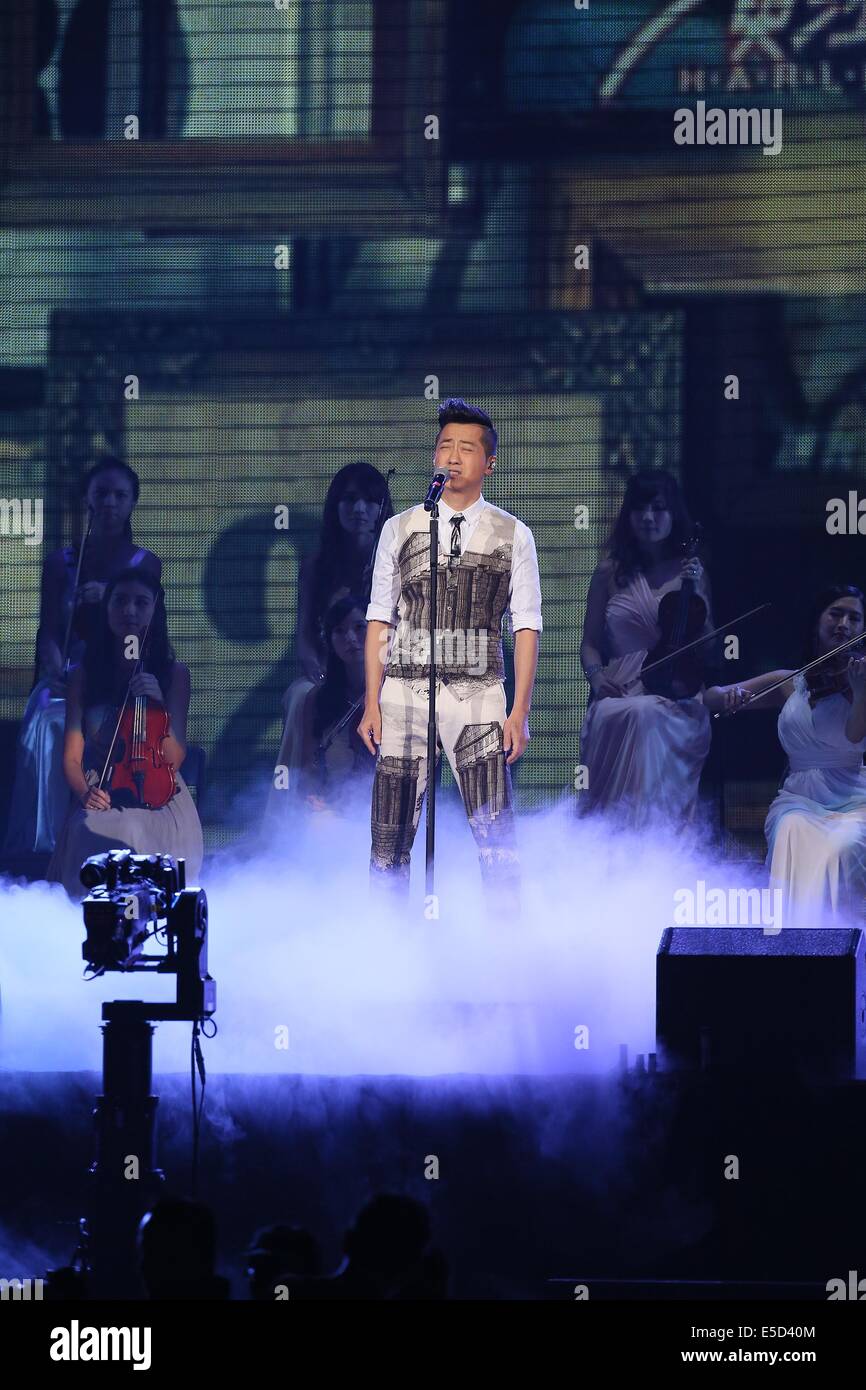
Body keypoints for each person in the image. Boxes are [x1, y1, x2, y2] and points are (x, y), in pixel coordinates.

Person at [358, 398, 542, 908]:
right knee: (390, 836)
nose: (453, 457)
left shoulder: (513, 534)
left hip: (479, 694)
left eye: (466, 448)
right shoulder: (400, 528)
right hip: (404, 693)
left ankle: (505, 952)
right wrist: (371, 701)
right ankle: (390, 948)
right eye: (445, 447)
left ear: (489, 463)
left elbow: (526, 626)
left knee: (496, 836)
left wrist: (519, 711)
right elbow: (380, 616)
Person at [3, 456, 160, 859]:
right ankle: (48, 839)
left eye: (119, 495)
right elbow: (49, 630)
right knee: (47, 714)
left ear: (132, 503)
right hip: (71, 672)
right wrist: (56, 670)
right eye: (102, 493)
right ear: (88, 499)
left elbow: (150, 632)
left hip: (118, 673)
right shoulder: (60, 564)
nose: (110, 502)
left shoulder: (144, 563)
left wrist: (109, 597)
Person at [704, 584, 866, 927]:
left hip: (854, 800)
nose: (843, 624)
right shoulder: (789, 681)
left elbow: (854, 735)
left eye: (854, 618)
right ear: (818, 622)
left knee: (845, 847)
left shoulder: (862, 680)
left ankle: (846, 947)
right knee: (791, 831)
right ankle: (797, 944)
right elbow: (712, 698)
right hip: (799, 799)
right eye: (835, 613)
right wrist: (731, 696)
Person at [47, 567, 203, 898]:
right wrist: (85, 793)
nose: (129, 611)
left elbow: (175, 757)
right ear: (106, 610)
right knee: (91, 833)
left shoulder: (174, 674)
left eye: (140, 603)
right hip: (100, 787)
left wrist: (158, 703)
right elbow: (72, 757)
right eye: (120, 601)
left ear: (154, 611)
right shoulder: (83, 675)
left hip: (158, 794)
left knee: (138, 836)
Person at [578, 469, 713, 828]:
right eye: (640, 508)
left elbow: (709, 646)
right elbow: (590, 644)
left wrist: (695, 593)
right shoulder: (609, 572)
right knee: (621, 713)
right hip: (618, 687)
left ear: (674, 515)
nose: (649, 517)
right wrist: (596, 677)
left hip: (674, 695)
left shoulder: (690, 573)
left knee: (644, 715)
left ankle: (650, 847)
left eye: (659, 508)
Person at [263, 593, 373, 834]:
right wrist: (315, 799)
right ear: (330, 640)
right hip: (334, 812)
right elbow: (307, 768)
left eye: (359, 628)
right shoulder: (317, 699)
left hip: (383, 813)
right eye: (340, 631)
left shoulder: (393, 693)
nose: (351, 638)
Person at [296, 461, 393, 684]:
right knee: (300, 696)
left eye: (369, 500)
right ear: (335, 505)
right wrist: (318, 674)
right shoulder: (315, 567)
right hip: (330, 670)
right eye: (349, 499)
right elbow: (305, 636)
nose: (359, 509)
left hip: (384, 671)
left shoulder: (393, 562)